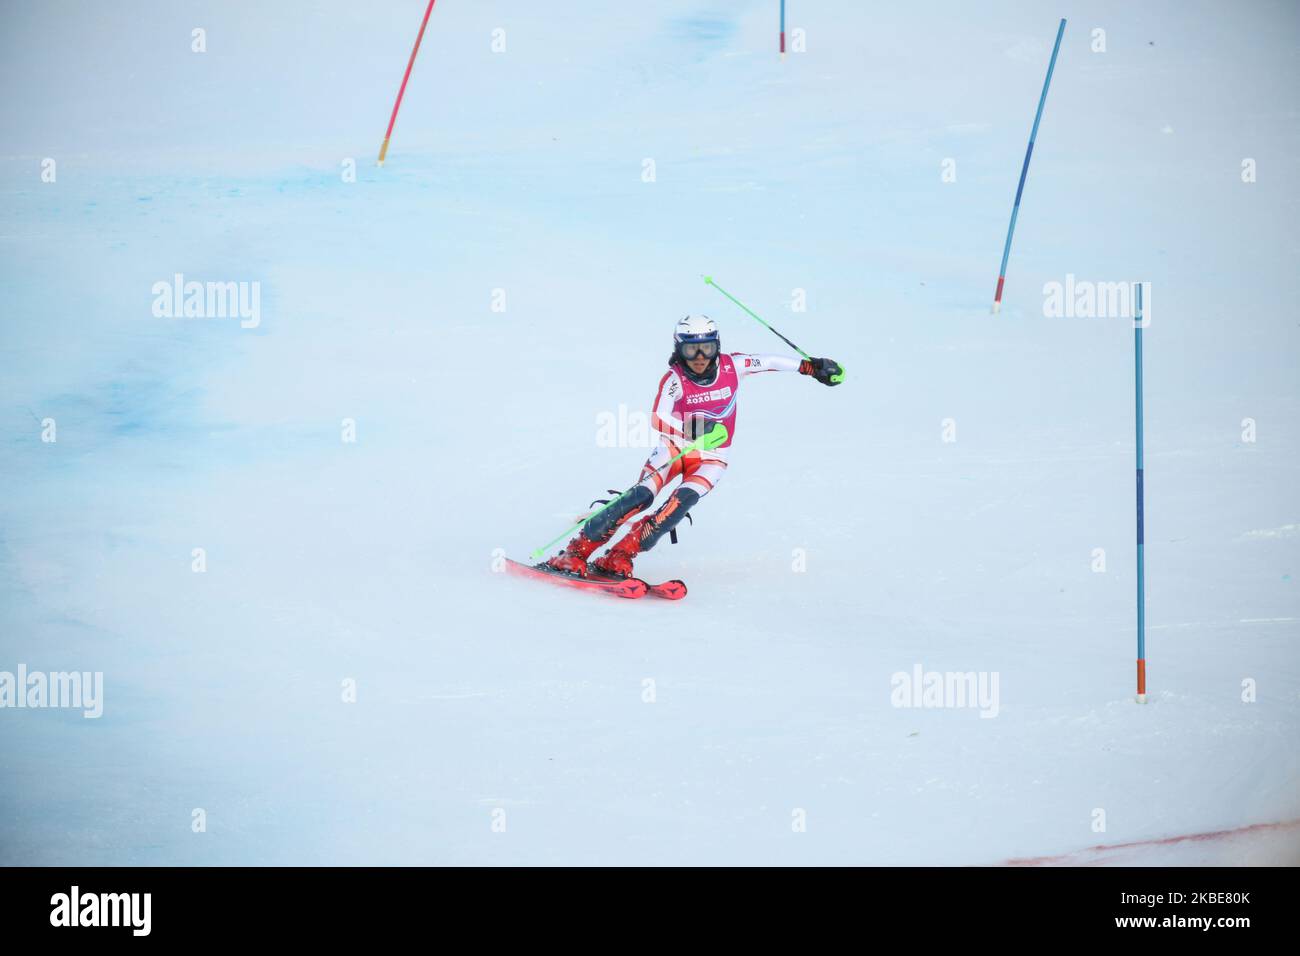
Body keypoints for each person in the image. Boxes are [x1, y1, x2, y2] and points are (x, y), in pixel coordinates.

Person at [547, 314, 842, 579]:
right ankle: (575, 552)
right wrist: (691, 432)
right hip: (675, 449)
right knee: (640, 498)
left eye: (707, 348)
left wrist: (810, 367)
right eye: (691, 349)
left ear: (717, 346)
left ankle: (619, 556)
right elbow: (658, 417)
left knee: (675, 509)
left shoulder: (732, 365)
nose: (700, 357)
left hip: (713, 459)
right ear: (679, 349)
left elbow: (768, 361)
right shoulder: (675, 379)